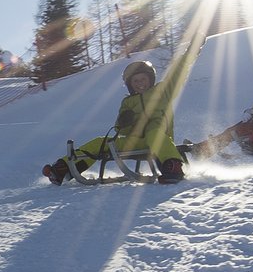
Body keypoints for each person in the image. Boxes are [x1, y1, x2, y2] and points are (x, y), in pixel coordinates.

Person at [43, 43, 202, 185]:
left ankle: (172, 166)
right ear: (130, 84)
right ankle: (63, 168)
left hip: (159, 139)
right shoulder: (127, 102)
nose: (140, 84)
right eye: (136, 81)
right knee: (101, 141)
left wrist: (192, 49)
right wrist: (125, 122)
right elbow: (121, 130)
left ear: (151, 78)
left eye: (143, 79)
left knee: (153, 132)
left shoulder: (162, 92)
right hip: (136, 142)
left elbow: (178, 72)